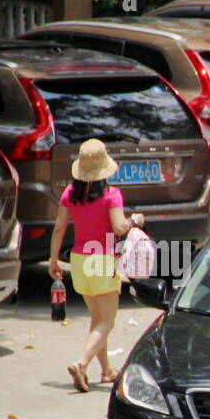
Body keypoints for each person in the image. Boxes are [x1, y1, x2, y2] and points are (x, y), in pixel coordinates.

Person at [48, 138, 144, 393]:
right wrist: (135, 220)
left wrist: (54, 260)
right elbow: (119, 228)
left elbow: (59, 228)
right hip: (102, 260)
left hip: (79, 260)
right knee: (107, 321)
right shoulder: (111, 195)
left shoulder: (69, 193)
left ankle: (106, 370)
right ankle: (82, 363)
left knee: (97, 319)